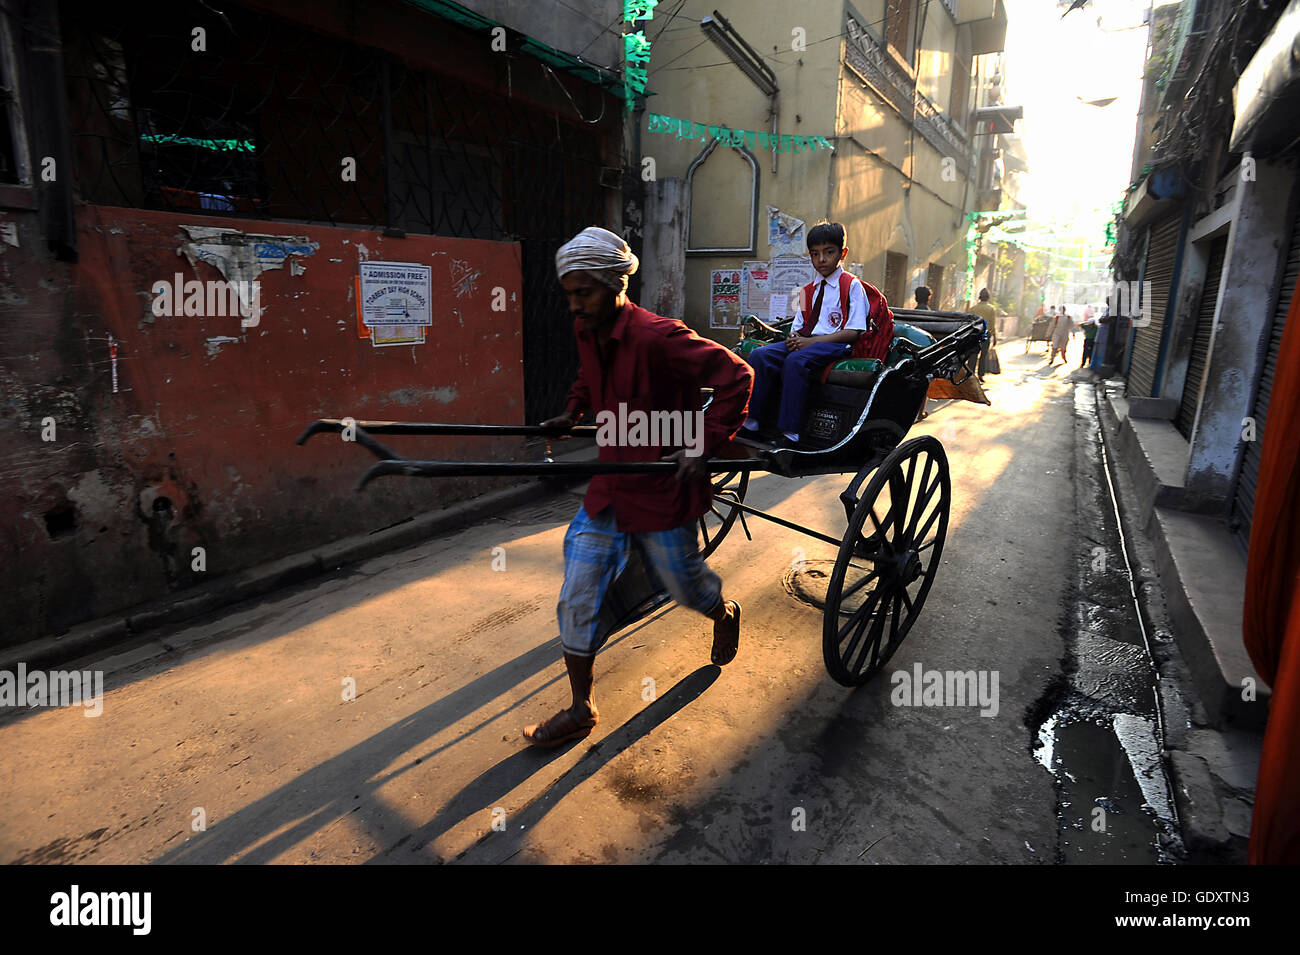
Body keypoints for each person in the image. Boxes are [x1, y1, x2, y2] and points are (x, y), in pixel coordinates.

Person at [525, 226, 753, 748]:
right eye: (570, 294)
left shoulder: (659, 336)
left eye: (584, 293)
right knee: (577, 596)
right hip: (610, 486)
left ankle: (725, 612)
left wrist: (701, 443)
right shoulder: (588, 329)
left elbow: (736, 376)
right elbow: (589, 377)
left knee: (685, 587)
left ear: (612, 284)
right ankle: (582, 707)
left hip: (661, 491)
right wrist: (572, 410)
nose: (574, 305)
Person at [741, 221, 894, 446]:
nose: (821, 259)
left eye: (829, 252)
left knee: (796, 361)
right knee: (760, 356)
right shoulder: (806, 290)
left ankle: (790, 432)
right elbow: (798, 325)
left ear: (842, 253)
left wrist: (810, 343)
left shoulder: (852, 286)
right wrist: (794, 339)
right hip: (807, 342)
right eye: (815, 254)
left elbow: (853, 331)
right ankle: (752, 422)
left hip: (837, 344)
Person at [969, 288, 997, 381]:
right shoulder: (991, 309)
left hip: (974, 335)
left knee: (973, 355)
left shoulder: (973, 309)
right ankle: (980, 375)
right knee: (983, 355)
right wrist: (994, 336)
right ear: (988, 297)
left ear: (980, 297)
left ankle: (970, 374)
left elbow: (969, 323)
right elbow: (992, 324)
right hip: (985, 334)